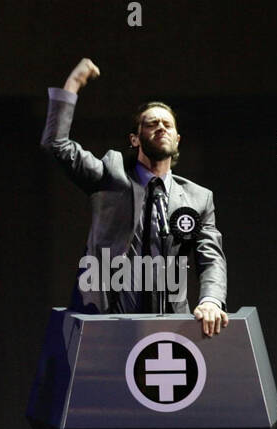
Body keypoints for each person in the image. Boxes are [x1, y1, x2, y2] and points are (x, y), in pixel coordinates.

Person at [41, 58, 228, 337]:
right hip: (106, 322)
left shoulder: (198, 198)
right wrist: (74, 84)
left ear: (177, 139)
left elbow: (211, 257)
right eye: (152, 124)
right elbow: (57, 145)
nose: (161, 128)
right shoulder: (111, 174)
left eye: (168, 124)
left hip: (168, 327)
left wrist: (211, 300)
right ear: (135, 139)